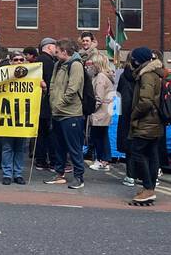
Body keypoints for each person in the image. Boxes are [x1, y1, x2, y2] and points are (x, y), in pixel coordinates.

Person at [125, 46, 165, 205]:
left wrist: (134, 115)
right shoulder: (154, 72)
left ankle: (148, 189)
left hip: (146, 121)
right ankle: (150, 189)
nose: (132, 62)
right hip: (154, 121)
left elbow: (146, 101)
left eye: (134, 59)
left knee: (137, 153)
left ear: (139, 60)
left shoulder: (147, 75)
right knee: (152, 154)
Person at [46, 39, 86, 190]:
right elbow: (53, 84)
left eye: (57, 51)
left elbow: (73, 88)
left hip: (71, 113)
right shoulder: (58, 65)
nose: (55, 54)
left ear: (64, 51)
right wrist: (53, 101)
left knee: (74, 147)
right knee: (59, 147)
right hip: (57, 112)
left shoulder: (76, 65)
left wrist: (59, 103)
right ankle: (59, 174)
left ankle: (79, 177)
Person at [0, 48, 30, 185]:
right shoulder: (2, 76)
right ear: (10, 62)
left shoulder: (31, 76)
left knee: (19, 148)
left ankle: (18, 174)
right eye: (16, 60)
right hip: (7, 115)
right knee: (7, 147)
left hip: (23, 116)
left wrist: (42, 87)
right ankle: (7, 174)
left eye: (21, 59)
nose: (19, 62)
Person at [85, 51, 114, 170]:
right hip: (105, 112)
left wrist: (89, 109)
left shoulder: (100, 77)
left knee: (99, 137)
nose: (89, 66)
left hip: (99, 114)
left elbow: (98, 97)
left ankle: (103, 160)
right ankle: (103, 160)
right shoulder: (105, 76)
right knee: (102, 137)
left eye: (92, 63)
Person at [34, 36, 59, 171]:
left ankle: (40, 160)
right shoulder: (48, 62)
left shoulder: (38, 60)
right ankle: (52, 160)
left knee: (41, 133)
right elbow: (51, 82)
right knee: (49, 133)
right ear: (50, 47)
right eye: (55, 46)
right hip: (47, 103)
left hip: (39, 103)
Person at [115, 49, 136, 187]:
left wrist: (117, 111)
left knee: (129, 148)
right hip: (140, 114)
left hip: (126, 115)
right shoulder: (142, 75)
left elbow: (118, 94)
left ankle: (130, 176)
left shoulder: (124, 76)